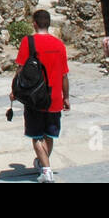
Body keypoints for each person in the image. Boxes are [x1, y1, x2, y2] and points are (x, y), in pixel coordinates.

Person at [10, 9, 70, 184]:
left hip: (34, 97)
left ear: (34, 23)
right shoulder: (59, 45)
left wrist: (14, 90)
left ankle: (46, 170)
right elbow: (65, 75)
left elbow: (20, 68)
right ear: (49, 23)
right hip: (54, 96)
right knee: (49, 134)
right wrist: (66, 97)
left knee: (36, 135)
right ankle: (43, 163)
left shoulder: (28, 42)